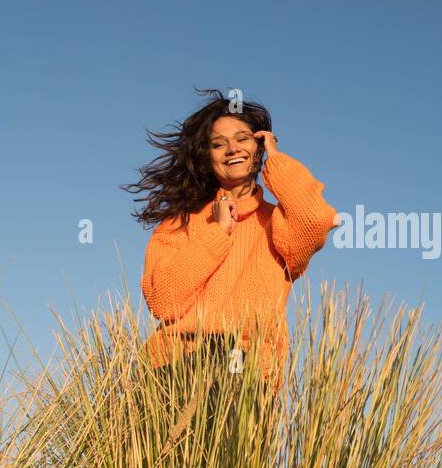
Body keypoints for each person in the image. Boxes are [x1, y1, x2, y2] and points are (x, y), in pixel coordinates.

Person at [126, 87, 339, 391]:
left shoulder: (278, 221)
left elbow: (315, 218)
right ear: (206, 156)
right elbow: (163, 301)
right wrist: (217, 232)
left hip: (246, 369)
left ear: (260, 145)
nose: (232, 149)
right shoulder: (180, 222)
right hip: (171, 368)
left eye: (243, 138)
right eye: (218, 143)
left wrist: (276, 162)